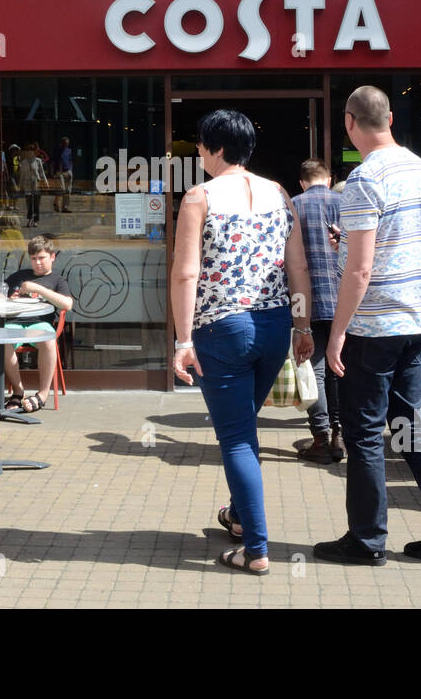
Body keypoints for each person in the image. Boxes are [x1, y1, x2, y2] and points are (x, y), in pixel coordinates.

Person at [316, 86, 421, 566]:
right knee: (410, 424)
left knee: (363, 432)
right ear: (387, 119)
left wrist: (338, 332)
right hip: (418, 317)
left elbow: (360, 271)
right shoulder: (418, 167)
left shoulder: (364, 178)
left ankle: (366, 541)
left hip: (376, 323)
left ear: (349, 122)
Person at [171, 110, 314, 576]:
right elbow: (298, 268)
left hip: (222, 328)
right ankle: (238, 518)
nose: (197, 151)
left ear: (214, 148)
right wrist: (303, 325)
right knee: (244, 429)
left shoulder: (199, 197)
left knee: (235, 439)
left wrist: (182, 339)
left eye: (199, 144)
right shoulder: (279, 193)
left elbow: (187, 273)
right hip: (274, 326)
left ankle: (256, 549)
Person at [289, 158, 343, 464]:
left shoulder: (293, 205)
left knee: (314, 369)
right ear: (330, 177)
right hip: (344, 298)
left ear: (301, 182)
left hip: (304, 298)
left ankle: (320, 437)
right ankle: (340, 434)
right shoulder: (346, 201)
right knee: (340, 368)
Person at [0, 235, 74, 413]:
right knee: (1, 340)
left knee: (48, 340)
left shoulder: (57, 280)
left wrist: (38, 289)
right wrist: (5, 297)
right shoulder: (19, 276)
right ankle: (18, 391)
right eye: (34, 259)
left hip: (40, 324)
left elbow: (67, 304)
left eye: (42, 258)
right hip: (14, 322)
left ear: (52, 257)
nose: (38, 263)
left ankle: (43, 394)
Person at [17, 144, 47, 228]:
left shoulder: (38, 161)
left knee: (36, 202)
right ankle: (30, 218)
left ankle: (36, 220)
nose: (30, 153)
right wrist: (20, 185)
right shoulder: (24, 162)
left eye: (31, 152)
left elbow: (42, 172)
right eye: (28, 152)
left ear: (34, 152)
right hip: (27, 184)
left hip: (36, 183)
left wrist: (45, 182)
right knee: (29, 202)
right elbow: (21, 175)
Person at [52, 136, 74, 213]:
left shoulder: (69, 151)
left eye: (67, 143)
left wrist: (70, 169)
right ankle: (56, 204)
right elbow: (54, 161)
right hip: (59, 172)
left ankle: (65, 207)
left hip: (68, 171)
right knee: (61, 190)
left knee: (68, 191)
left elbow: (71, 160)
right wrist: (54, 172)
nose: (66, 144)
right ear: (62, 143)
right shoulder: (57, 150)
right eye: (65, 143)